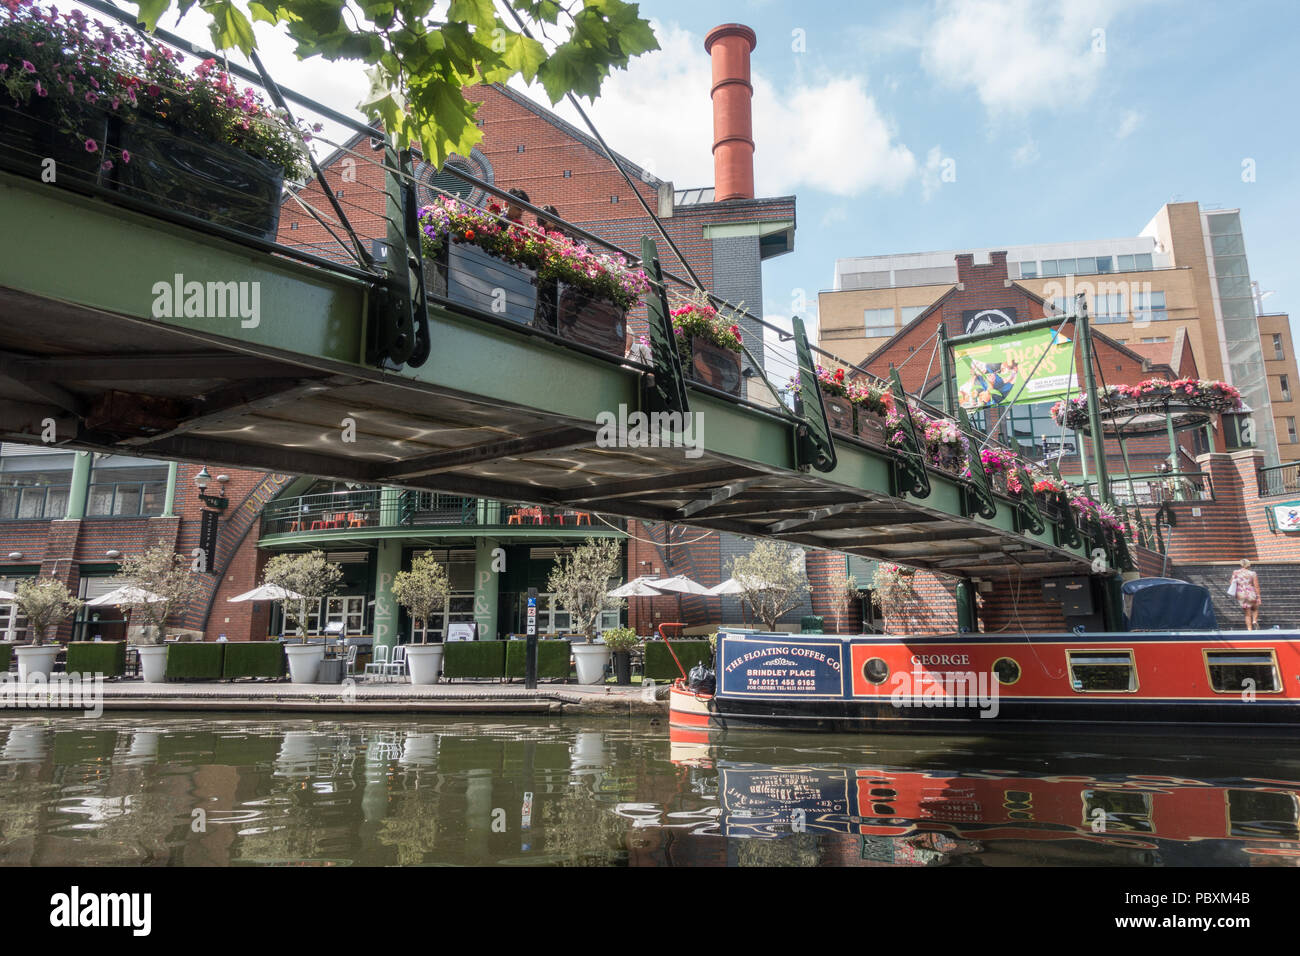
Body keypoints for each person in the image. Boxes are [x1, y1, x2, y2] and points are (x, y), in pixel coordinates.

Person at [1230, 558, 1261, 630]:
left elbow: (1231, 582)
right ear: (1248, 565)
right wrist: (1258, 597)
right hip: (1250, 592)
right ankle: (1254, 620)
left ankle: (1249, 629)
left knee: (1247, 612)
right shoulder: (1252, 573)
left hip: (1241, 594)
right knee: (1255, 607)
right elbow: (1256, 586)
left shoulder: (1235, 572)